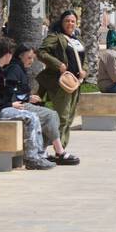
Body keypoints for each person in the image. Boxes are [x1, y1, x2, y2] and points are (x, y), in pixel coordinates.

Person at [0, 37, 56, 170]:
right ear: (8, 54)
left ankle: (39, 155)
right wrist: (10, 104)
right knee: (31, 117)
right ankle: (32, 159)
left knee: (32, 115)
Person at [4, 44, 76, 165]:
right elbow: (10, 90)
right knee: (51, 115)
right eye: (29, 58)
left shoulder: (18, 68)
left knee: (50, 117)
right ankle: (59, 152)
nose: (31, 61)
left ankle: (41, 150)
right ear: (20, 57)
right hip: (17, 105)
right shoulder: (14, 69)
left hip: (21, 103)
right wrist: (27, 98)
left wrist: (29, 97)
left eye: (32, 58)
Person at [36, 11, 86, 155]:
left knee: (69, 118)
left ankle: (61, 149)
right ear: (61, 22)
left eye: (73, 21)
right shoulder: (56, 37)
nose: (70, 24)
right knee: (62, 117)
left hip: (75, 83)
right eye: (67, 21)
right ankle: (49, 150)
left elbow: (84, 60)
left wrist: (85, 71)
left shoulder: (78, 40)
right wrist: (58, 64)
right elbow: (41, 52)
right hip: (60, 83)